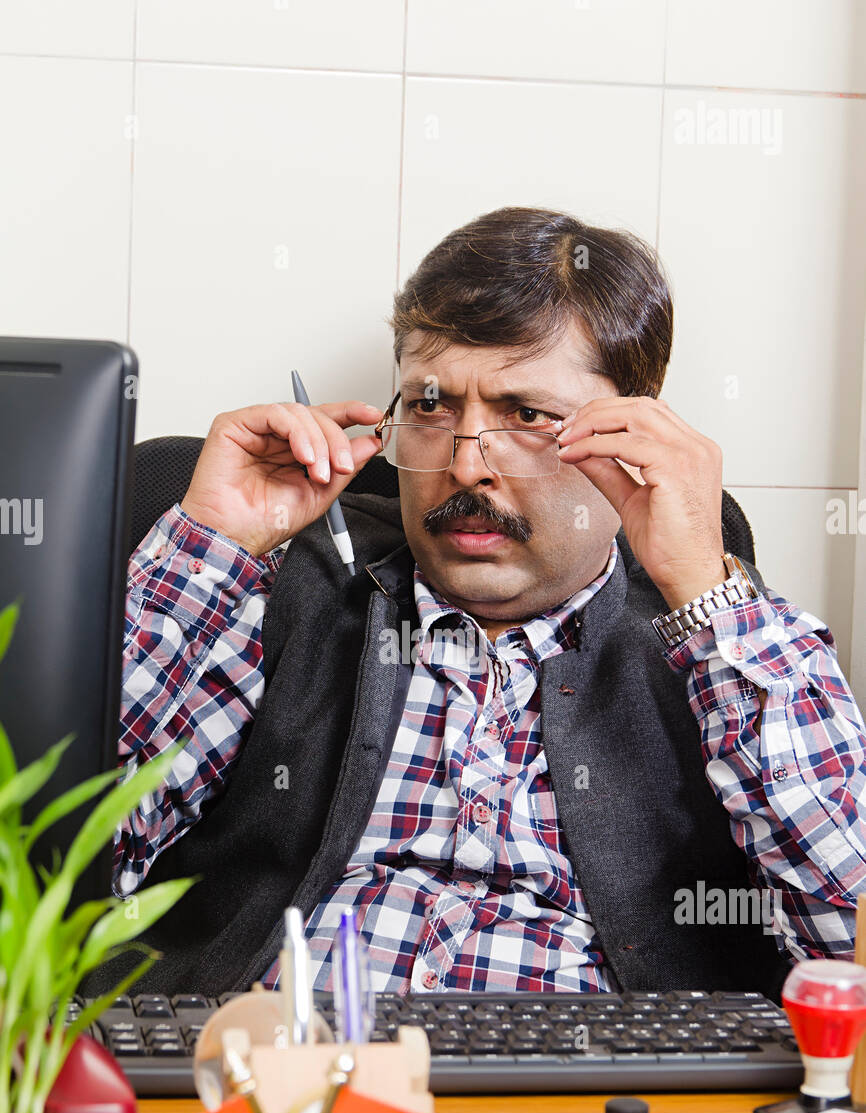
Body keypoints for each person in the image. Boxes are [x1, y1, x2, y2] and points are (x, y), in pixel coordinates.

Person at [104, 206, 865, 1000]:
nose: (468, 467)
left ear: (632, 432)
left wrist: (709, 598)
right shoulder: (291, 589)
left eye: (526, 415)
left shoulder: (712, 641)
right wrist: (208, 546)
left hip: (591, 1101)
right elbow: (50, 861)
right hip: (272, 1080)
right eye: (431, 407)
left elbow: (847, 930)